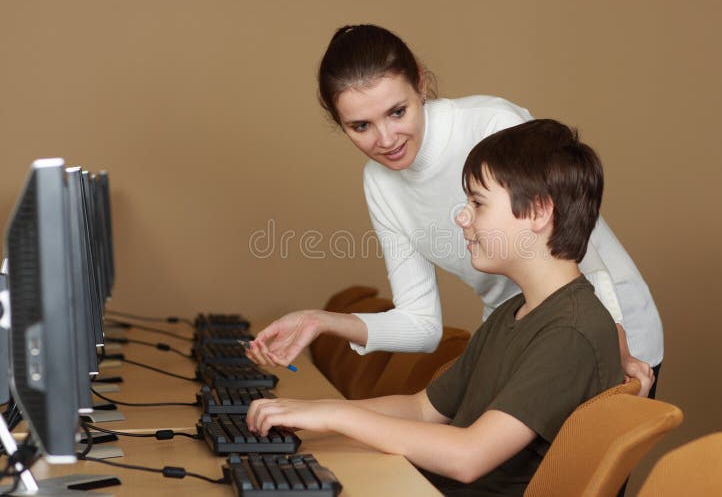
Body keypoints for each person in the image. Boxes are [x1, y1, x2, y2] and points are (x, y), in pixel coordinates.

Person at [246, 24, 662, 396]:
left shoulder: (490, 125)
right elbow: (420, 324)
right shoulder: (380, 183)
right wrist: (321, 321)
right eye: (361, 126)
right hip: (519, 334)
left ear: (420, 85)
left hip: (607, 326)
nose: (386, 139)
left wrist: (615, 345)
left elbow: (577, 251)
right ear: (340, 123)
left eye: (397, 111)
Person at [246, 119, 625, 496]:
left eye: (477, 202)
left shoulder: (569, 333)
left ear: (539, 212)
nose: (462, 217)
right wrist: (316, 413)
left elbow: (468, 456)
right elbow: (423, 409)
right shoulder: (515, 312)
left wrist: (336, 416)